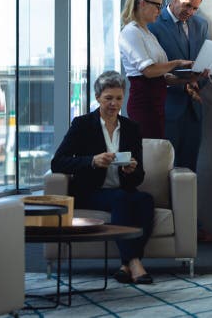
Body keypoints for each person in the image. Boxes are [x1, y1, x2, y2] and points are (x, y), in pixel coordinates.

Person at [50, 71, 155, 284]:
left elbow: (139, 176)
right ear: (97, 97)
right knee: (121, 199)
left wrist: (131, 170)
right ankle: (135, 262)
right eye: (108, 98)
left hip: (122, 189)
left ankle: (125, 265)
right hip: (90, 192)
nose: (114, 104)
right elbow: (57, 162)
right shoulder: (82, 125)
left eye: (118, 98)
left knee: (146, 200)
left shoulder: (131, 128)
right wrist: (92, 161)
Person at [147, 0, 209, 171]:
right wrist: (183, 85)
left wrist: (201, 80)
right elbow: (152, 69)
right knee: (164, 170)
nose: (190, 12)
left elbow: (203, 60)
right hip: (167, 108)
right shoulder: (153, 25)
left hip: (193, 110)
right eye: (188, 5)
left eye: (195, 8)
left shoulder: (201, 24)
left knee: (189, 171)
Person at [119, 0, 192, 139]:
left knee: (157, 152)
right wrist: (177, 63)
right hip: (144, 104)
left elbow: (162, 77)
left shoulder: (147, 33)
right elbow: (148, 71)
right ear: (142, 4)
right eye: (157, 6)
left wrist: (188, 78)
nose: (160, 10)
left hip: (156, 104)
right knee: (148, 154)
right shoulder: (131, 32)